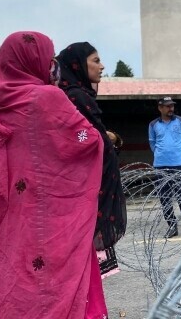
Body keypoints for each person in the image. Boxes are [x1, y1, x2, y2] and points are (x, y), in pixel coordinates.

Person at [0, 31, 108, 318]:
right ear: (35, 60)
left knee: (8, 278)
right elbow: (87, 141)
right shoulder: (48, 98)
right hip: (50, 217)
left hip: (5, 216)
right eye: (47, 57)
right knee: (50, 283)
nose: (52, 64)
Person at [58, 42, 127, 277]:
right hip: (85, 194)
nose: (102, 66)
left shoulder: (68, 95)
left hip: (74, 192)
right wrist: (113, 139)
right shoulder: (77, 97)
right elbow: (94, 143)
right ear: (77, 64)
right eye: (95, 61)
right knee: (84, 272)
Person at [148, 96, 181, 238]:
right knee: (165, 198)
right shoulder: (153, 124)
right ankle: (172, 226)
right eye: (167, 106)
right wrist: (160, 155)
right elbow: (152, 143)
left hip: (179, 165)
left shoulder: (180, 121)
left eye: (172, 106)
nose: (171, 109)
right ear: (160, 108)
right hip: (160, 166)